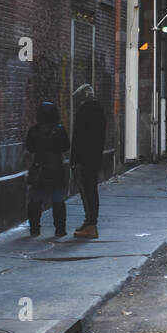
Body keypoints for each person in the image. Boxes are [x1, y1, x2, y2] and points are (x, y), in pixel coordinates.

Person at [25, 101, 70, 239]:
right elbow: (65, 147)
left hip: (39, 167)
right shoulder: (59, 129)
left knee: (35, 200)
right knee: (58, 200)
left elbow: (30, 148)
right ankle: (60, 230)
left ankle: (34, 230)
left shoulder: (34, 130)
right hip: (55, 167)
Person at [70, 84, 107, 240]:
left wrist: (75, 160)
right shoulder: (99, 111)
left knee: (87, 193)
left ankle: (91, 226)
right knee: (91, 191)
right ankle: (89, 223)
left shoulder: (84, 112)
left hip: (84, 160)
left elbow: (79, 139)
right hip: (94, 159)